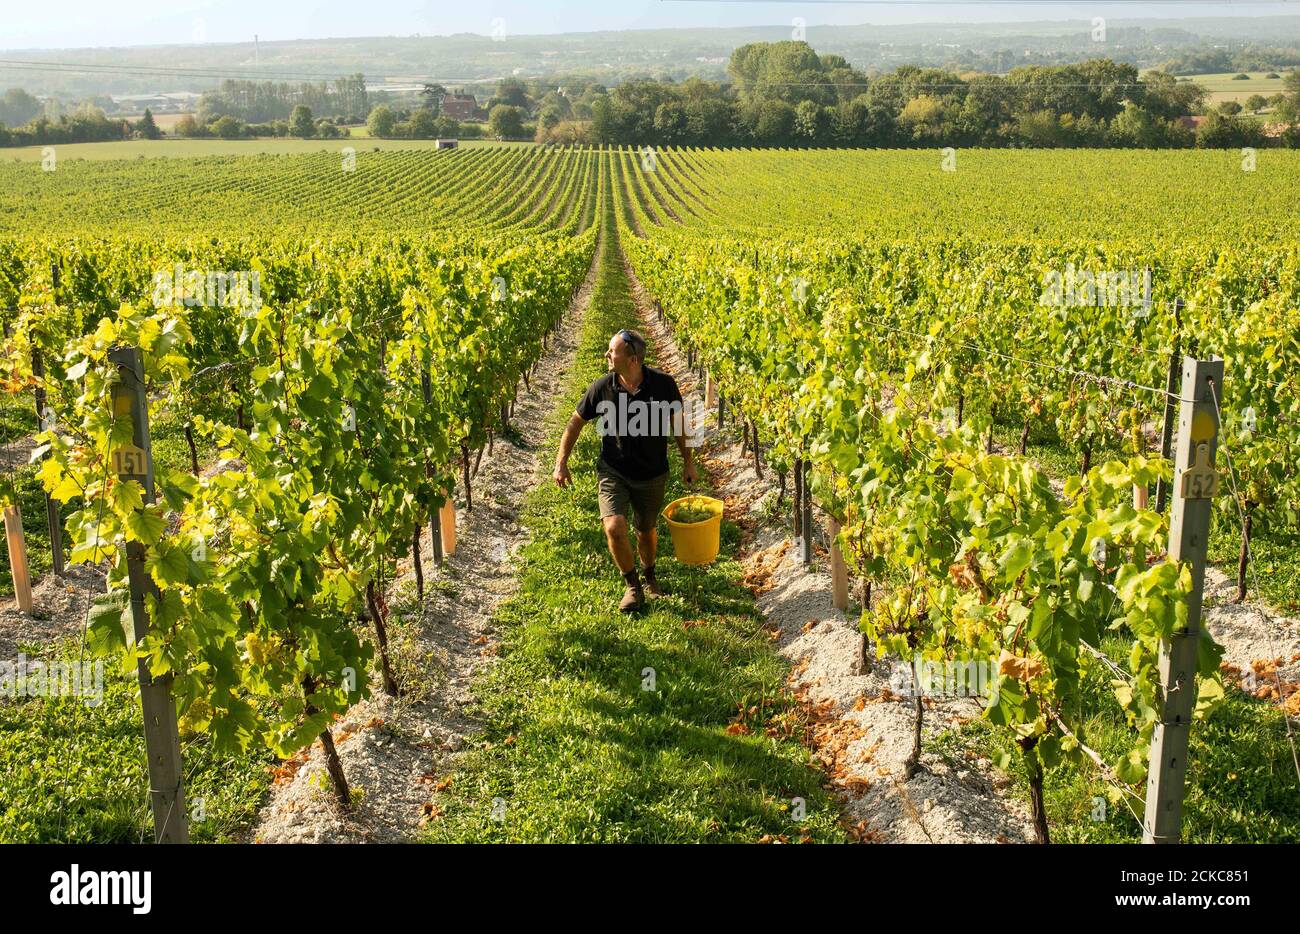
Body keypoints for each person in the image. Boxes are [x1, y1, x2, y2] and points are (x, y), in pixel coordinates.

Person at [553, 328, 697, 612]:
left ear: (632, 360)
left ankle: (649, 573)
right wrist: (561, 462)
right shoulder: (602, 387)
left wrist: (688, 460)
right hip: (613, 470)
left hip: (652, 473)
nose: (607, 354)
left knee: (646, 531)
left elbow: (679, 425)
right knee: (614, 527)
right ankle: (632, 586)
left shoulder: (663, 385)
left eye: (612, 351)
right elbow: (575, 423)